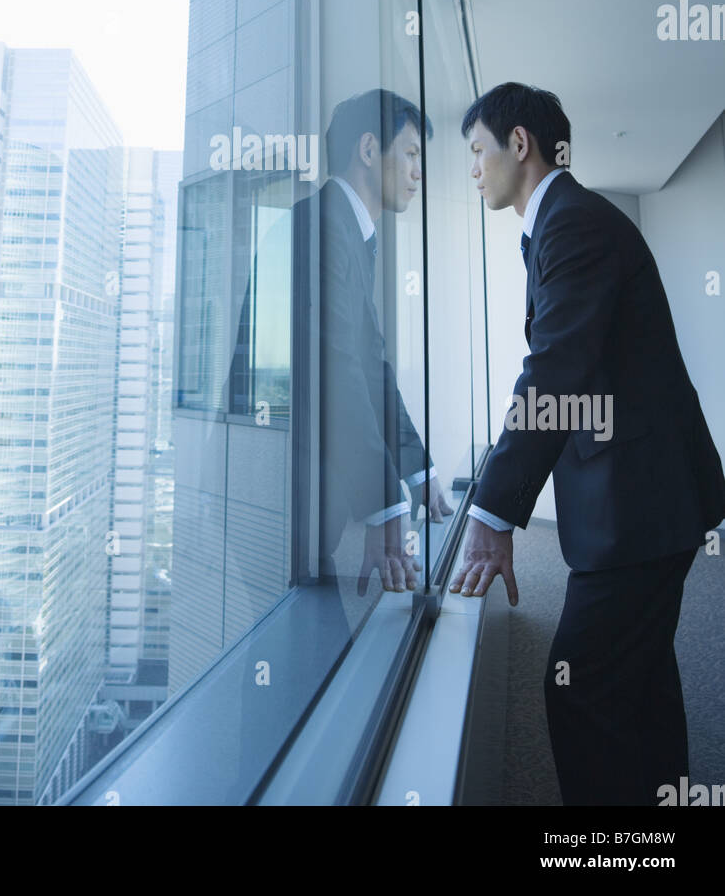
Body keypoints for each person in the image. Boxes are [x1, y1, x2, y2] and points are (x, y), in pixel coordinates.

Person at [451, 81, 725, 806]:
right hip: (652, 497)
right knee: (636, 683)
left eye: (477, 150)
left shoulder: (573, 223)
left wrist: (491, 515)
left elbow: (554, 372)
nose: (472, 169)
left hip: (640, 508)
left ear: (519, 143)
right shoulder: (562, 224)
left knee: (582, 691)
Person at [304, 89, 453, 597]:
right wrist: (383, 501)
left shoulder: (349, 228)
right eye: (411, 154)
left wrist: (414, 466)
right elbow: (337, 364)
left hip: (314, 492)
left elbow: (370, 363)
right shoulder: (324, 222)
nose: (418, 172)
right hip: (283, 487)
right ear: (369, 150)